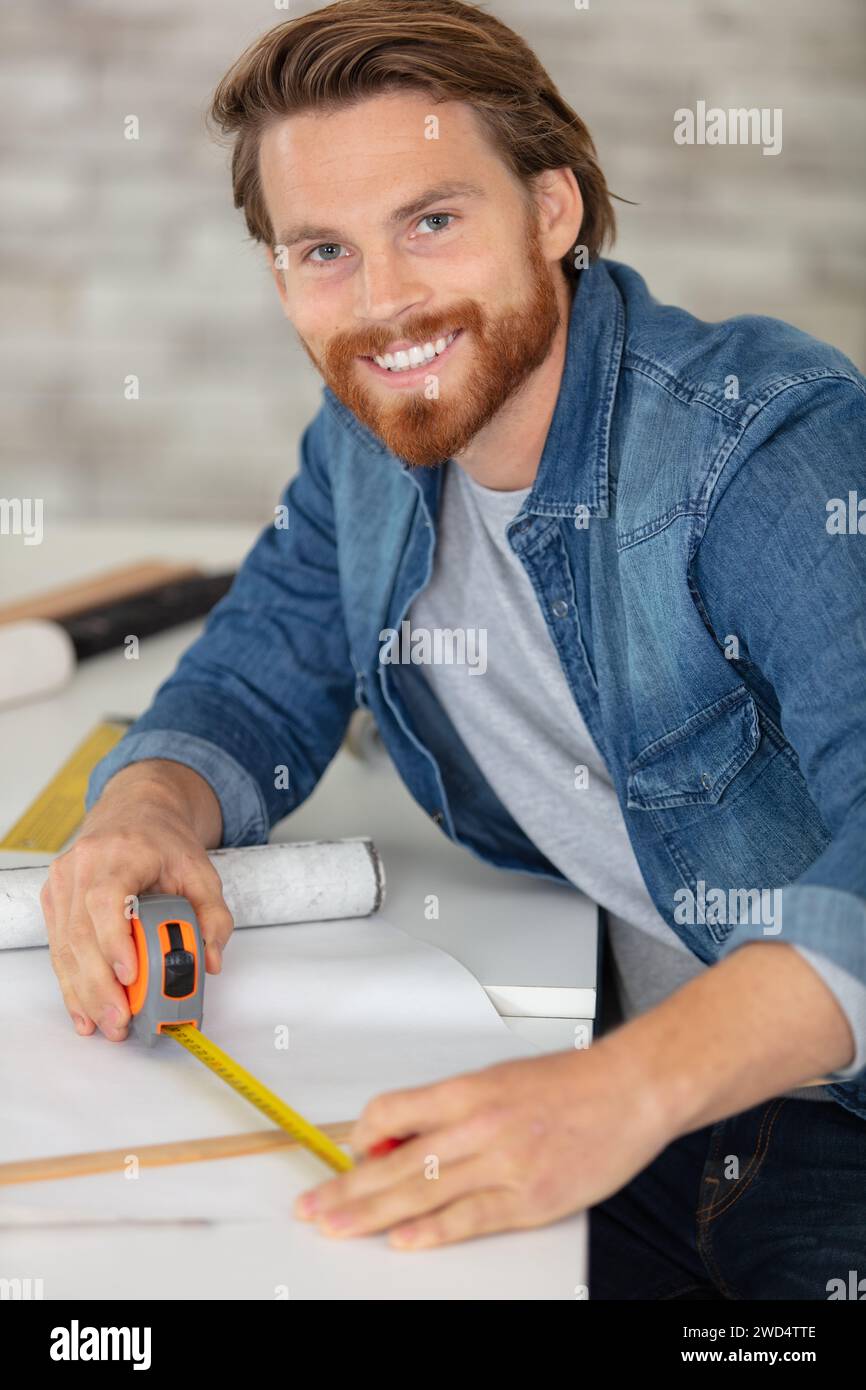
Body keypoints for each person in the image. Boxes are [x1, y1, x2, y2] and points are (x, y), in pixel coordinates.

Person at [42, 0, 866, 1297]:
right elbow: (258, 671)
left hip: (816, 1114)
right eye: (324, 249)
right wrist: (147, 807)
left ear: (553, 209)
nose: (382, 303)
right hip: (623, 1077)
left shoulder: (759, 444)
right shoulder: (360, 446)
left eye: (430, 221)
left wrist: (618, 1093)